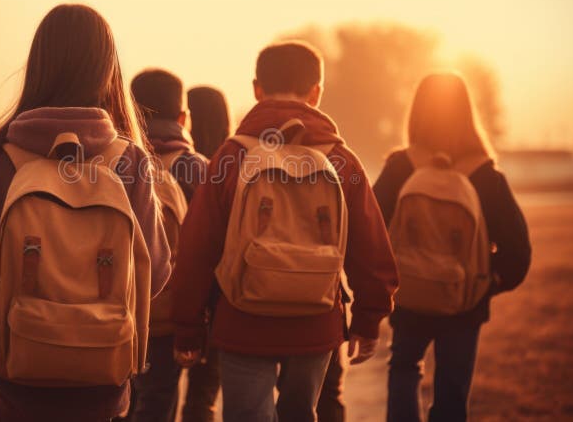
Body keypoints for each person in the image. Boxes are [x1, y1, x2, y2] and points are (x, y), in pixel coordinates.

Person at [0, 4, 171, 422]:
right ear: (107, 70)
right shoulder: (128, 160)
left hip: (18, 378)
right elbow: (158, 269)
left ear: (38, 67)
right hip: (103, 376)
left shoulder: (1, 161)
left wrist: (16, 295)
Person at [171, 41, 399, 422]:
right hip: (316, 320)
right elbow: (371, 245)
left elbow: (197, 247)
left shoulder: (232, 155)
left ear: (257, 88)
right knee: (301, 413)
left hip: (242, 319)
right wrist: (368, 318)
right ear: (317, 93)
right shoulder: (341, 160)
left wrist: (187, 328)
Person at [374, 72, 531, 422]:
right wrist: (486, 285)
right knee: (453, 387)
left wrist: (387, 278)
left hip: (409, 293)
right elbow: (518, 252)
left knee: (403, 369)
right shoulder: (486, 177)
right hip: (465, 303)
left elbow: (370, 228)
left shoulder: (400, 167)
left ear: (416, 113)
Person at [128, 69, 209, 422]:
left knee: (122, 399)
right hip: (170, 313)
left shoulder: (109, 162)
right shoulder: (199, 169)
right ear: (183, 118)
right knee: (159, 397)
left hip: (118, 307)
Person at [179, 86, 232, 422]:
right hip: (216, 299)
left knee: (149, 390)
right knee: (203, 392)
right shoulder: (229, 166)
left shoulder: (156, 166)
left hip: (165, 294)